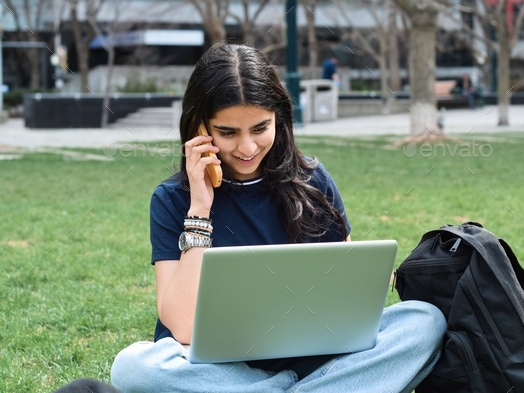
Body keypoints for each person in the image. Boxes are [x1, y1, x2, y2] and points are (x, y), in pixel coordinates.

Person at [110, 43, 446, 393]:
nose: (247, 148)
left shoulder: (313, 181)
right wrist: (200, 208)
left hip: (314, 356)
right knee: (134, 368)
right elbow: (182, 326)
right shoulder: (173, 199)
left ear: (279, 119)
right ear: (199, 128)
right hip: (215, 369)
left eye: (260, 128)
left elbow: (349, 294)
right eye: (228, 132)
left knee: (424, 322)